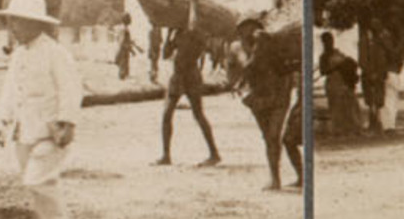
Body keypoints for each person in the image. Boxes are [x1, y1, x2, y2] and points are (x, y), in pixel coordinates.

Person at [0, 0, 83, 219]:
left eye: (18, 22)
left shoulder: (55, 53)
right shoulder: (19, 55)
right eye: (11, 22)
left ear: (36, 24)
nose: (13, 28)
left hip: (50, 130)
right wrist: (2, 119)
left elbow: (71, 88)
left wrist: (67, 121)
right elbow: (10, 90)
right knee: (33, 180)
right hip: (24, 130)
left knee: (38, 180)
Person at [232, 16, 303, 192]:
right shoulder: (241, 47)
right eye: (243, 28)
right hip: (258, 98)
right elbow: (248, 69)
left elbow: (278, 65)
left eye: (250, 27)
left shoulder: (267, 43)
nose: (246, 31)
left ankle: (284, 178)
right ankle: (277, 177)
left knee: (273, 136)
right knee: (268, 138)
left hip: (278, 96)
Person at [155, 25, 221, 166]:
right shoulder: (177, 31)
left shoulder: (196, 32)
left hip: (190, 75)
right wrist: (169, 36)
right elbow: (165, 54)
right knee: (167, 114)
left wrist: (184, 37)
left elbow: (197, 50)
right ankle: (166, 155)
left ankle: (214, 153)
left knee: (198, 114)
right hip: (178, 76)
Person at [319, 31, 363, 136]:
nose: (329, 43)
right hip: (333, 83)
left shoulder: (338, 53)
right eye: (327, 41)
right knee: (336, 107)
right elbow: (323, 71)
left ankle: (354, 129)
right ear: (323, 42)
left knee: (350, 105)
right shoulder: (324, 56)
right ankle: (338, 130)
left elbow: (350, 65)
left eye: (331, 40)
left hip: (345, 81)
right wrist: (336, 66)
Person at [113, 16, 138, 81]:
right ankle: (122, 77)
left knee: (124, 63)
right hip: (123, 49)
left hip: (123, 48)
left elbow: (120, 39)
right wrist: (131, 49)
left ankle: (123, 76)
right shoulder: (124, 29)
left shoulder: (121, 28)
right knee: (123, 63)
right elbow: (123, 40)